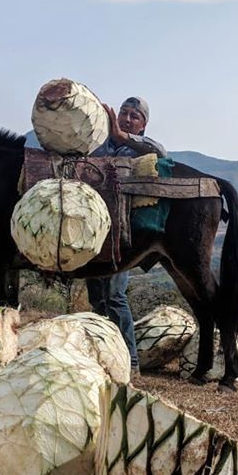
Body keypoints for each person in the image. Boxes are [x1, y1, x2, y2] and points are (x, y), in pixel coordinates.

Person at [86, 96, 167, 376]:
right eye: (124, 113)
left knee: (115, 295)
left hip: (122, 232)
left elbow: (162, 152)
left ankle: (130, 361)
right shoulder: (101, 143)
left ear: (143, 125)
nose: (128, 118)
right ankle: (100, 354)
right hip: (94, 229)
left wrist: (125, 137)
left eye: (135, 116)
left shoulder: (141, 149)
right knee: (96, 295)